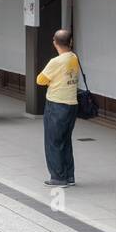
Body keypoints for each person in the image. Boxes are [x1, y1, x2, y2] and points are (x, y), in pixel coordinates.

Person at [36, 29, 80, 187]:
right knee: (65, 141)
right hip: (72, 104)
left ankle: (58, 177)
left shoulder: (56, 62)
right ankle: (69, 176)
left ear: (55, 42)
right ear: (71, 42)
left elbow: (40, 80)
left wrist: (51, 81)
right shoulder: (74, 58)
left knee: (53, 141)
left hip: (56, 105)